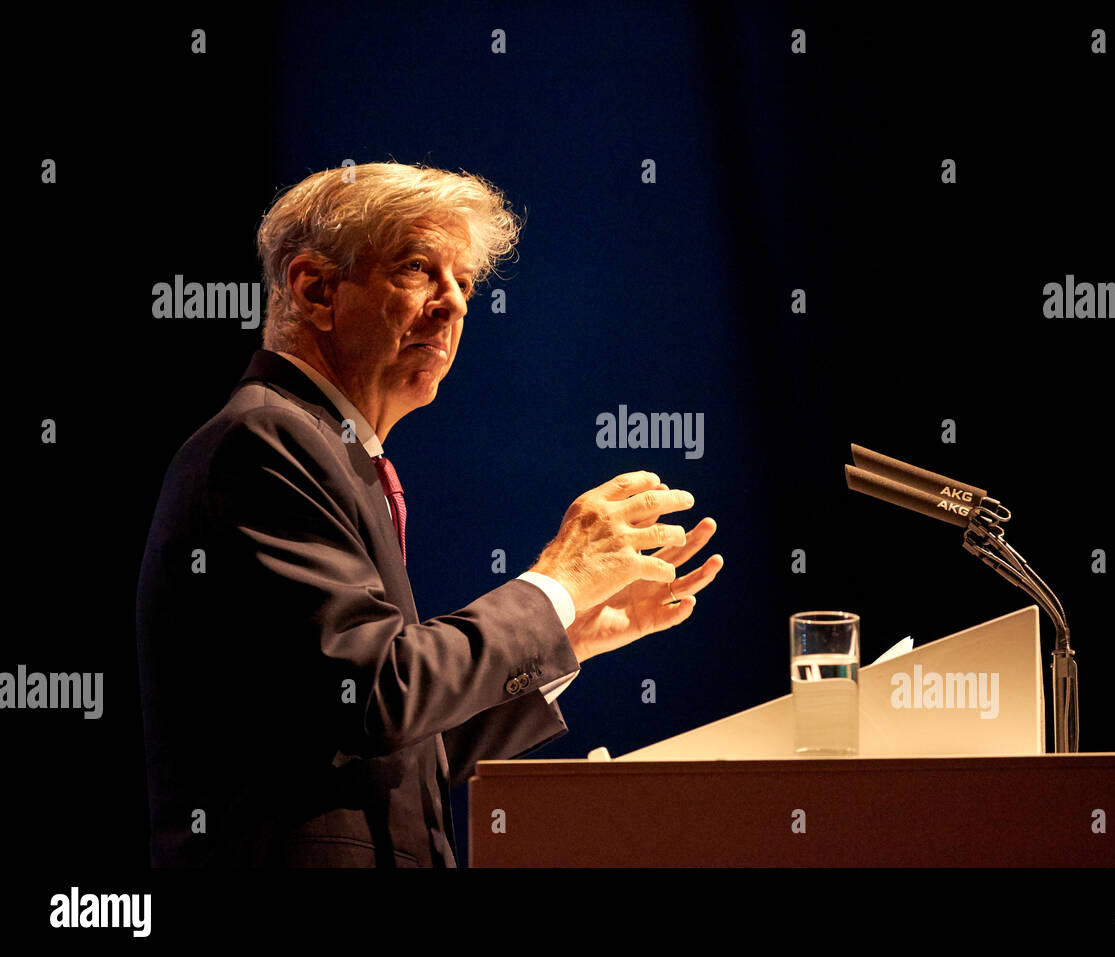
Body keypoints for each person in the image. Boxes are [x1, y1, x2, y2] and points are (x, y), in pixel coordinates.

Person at [135, 162, 723, 866]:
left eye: (465, 282)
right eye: (420, 269)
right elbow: (378, 690)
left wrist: (572, 632)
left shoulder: (340, 452)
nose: (456, 304)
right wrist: (555, 584)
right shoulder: (264, 441)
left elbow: (403, 754)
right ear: (314, 288)